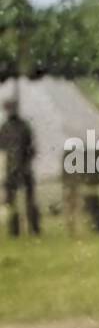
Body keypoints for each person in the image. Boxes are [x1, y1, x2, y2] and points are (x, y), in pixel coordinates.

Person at [0, 94, 40, 236]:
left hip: (23, 168)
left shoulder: (23, 126)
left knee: (30, 200)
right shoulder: (5, 128)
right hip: (12, 169)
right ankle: (14, 230)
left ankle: (34, 229)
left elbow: (32, 148)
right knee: (12, 202)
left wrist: (26, 163)